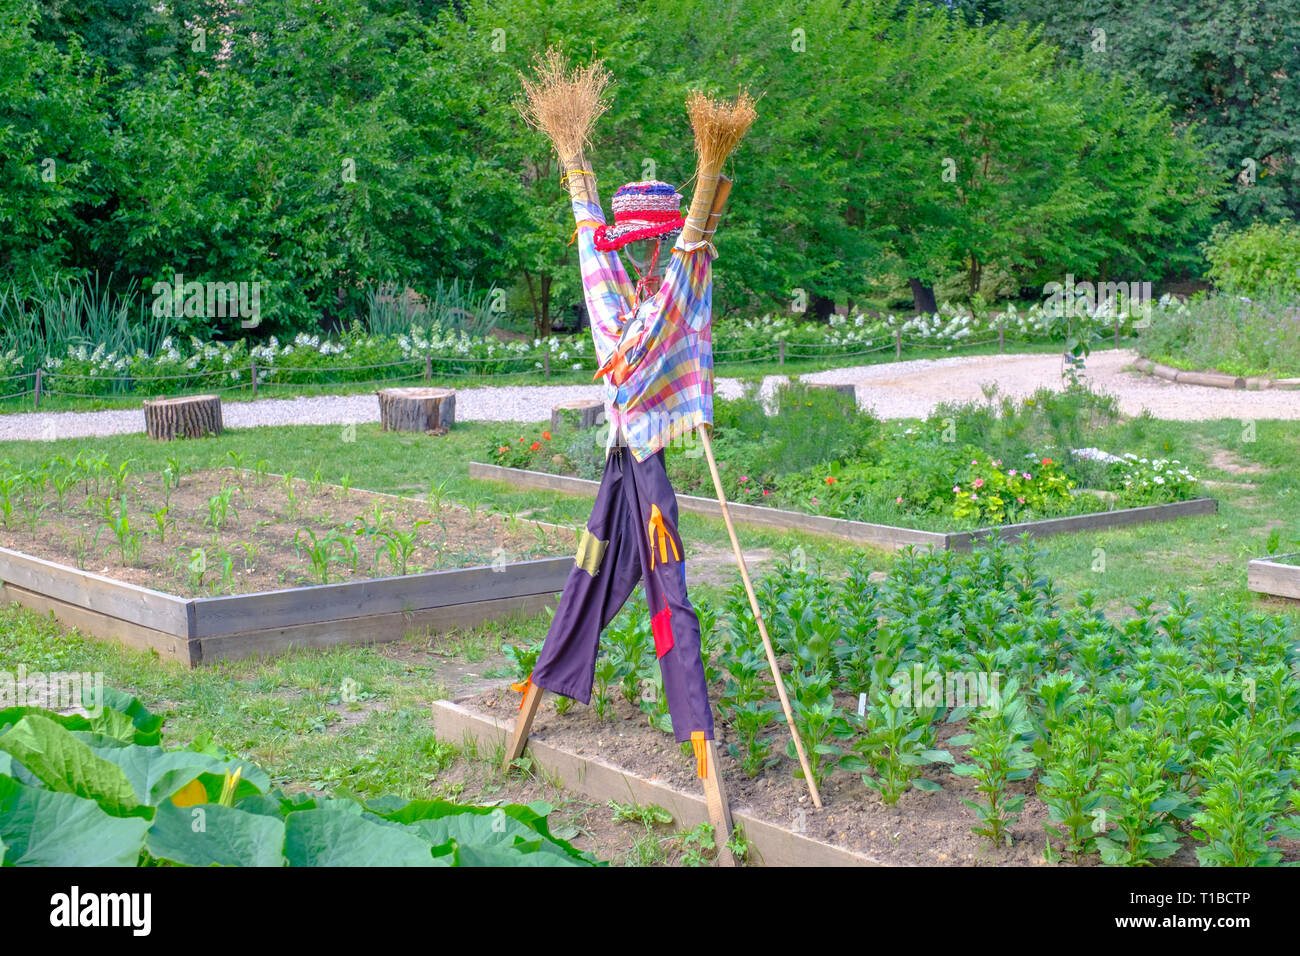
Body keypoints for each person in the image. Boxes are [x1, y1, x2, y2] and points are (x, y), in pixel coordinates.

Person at [520, 179, 718, 753]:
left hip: (643, 459)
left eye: (647, 248)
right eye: (630, 249)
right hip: (625, 459)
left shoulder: (670, 299)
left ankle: (695, 728)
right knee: (594, 564)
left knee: (665, 587)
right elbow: (592, 253)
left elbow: (684, 290)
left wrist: (698, 226)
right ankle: (556, 667)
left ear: (659, 249)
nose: (637, 259)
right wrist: (579, 182)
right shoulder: (623, 312)